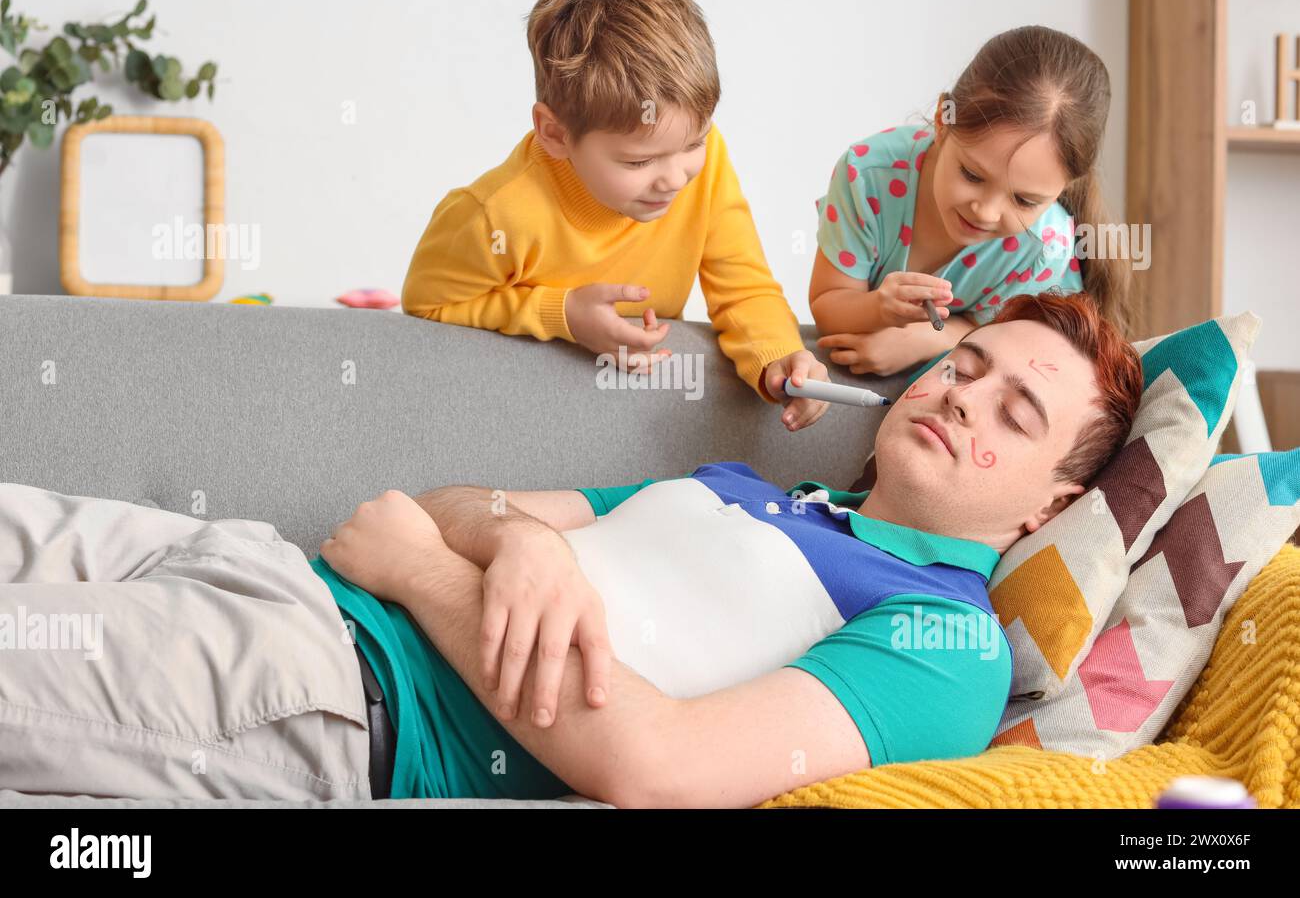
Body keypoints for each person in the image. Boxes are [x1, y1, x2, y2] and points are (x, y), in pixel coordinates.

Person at [0, 293, 1141, 808]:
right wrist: (516, 544)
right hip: (252, 567)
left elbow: (656, 766)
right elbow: (455, 499)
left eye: (1016, 415)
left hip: (324, 693)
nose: (964, 396)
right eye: (968, 365)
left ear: (1047, 506)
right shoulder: (753, 490)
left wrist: (432, 569)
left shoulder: (946, 638)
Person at [400, 0, 830, 432]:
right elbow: (428, 304)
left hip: (631, 420)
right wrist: (561, 314)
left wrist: (780, 359)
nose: (673, 178)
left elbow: (743, 287)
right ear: (556, 134)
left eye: (693, 144)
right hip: (523, 420)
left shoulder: (703, 167)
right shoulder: (497, 213)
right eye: (638, 162)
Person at [809, 25, 1134, 379]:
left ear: (1065, 187)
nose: (986, 211)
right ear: (942, 120)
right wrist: (878, 309)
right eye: (972, 175)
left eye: (1024, 200)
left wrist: (927, 341)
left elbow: (1020, 344)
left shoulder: (1044, 248)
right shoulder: (868, 177)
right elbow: (828, 303)